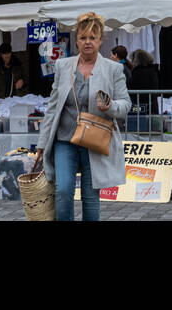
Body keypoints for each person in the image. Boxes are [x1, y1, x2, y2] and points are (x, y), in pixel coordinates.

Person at [36, 12, 131, 221]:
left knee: (90, 196)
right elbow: (53, 107)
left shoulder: (113, 69)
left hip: (95, 140)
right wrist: (42, 143)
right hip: (64, 139)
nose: (87, 42)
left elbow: (125, 104)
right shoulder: (62, 66)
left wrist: (110, 106)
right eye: (83, 38)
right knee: (62, 191)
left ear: (100, 40)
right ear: (76, 40)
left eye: (92, 38)